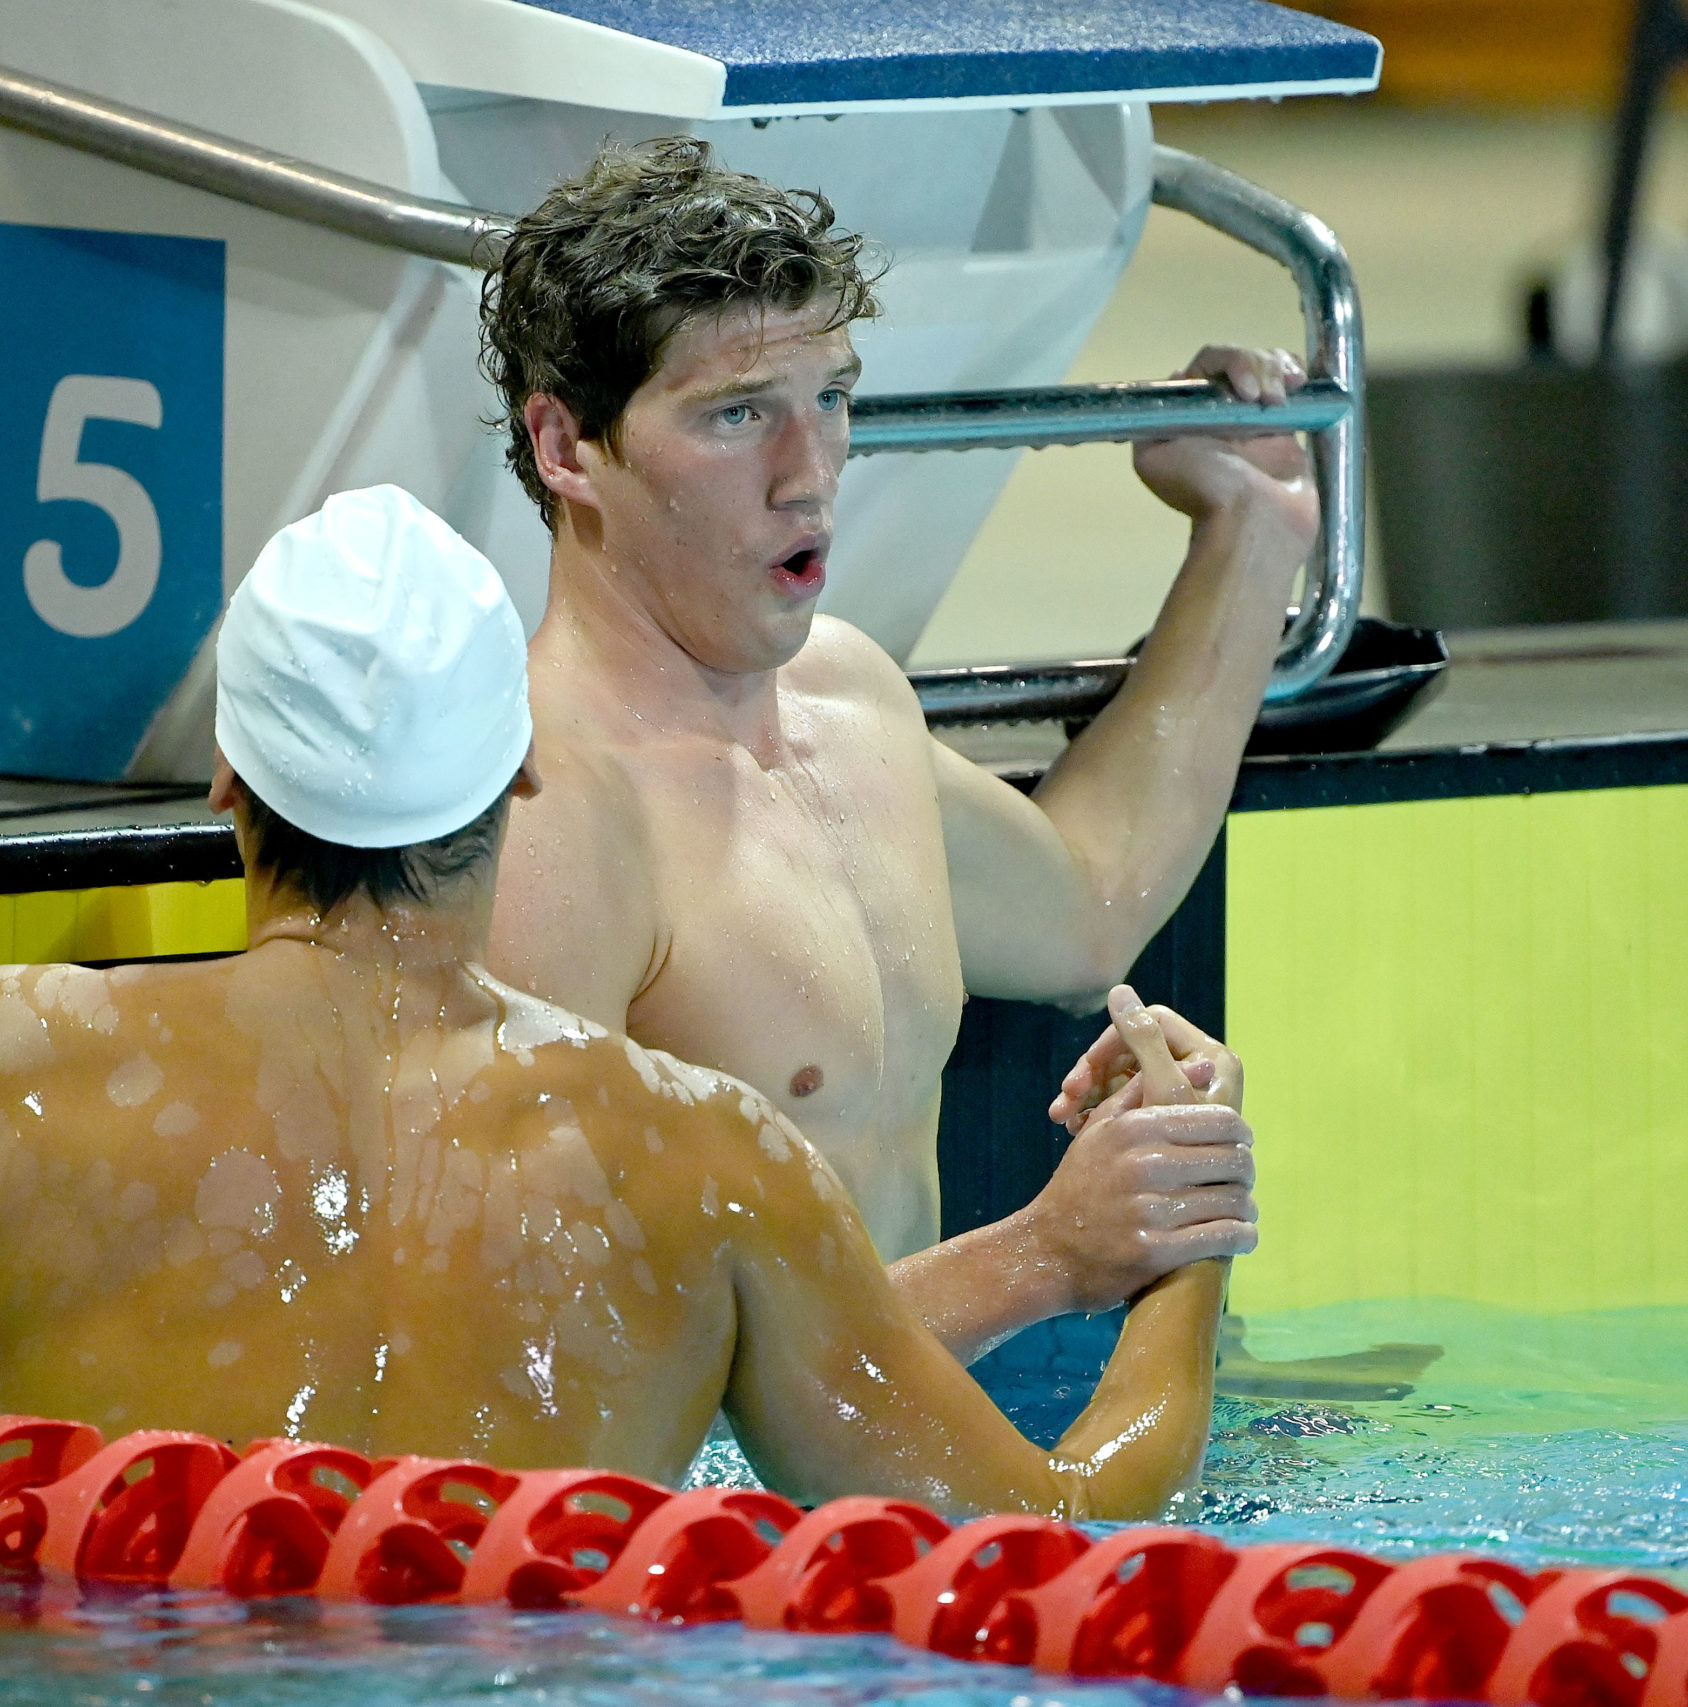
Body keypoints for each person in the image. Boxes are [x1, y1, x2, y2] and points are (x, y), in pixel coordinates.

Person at [0, 487, 1243, 1515]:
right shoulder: (709, 1154)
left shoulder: (7, 1065)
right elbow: (1057, 1525)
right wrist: (1181, 1239)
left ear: (228, 777)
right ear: (519, 773)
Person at [478, 138, 1310, 1363]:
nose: (809, 474)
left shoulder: (849, 699)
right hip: (721, 1491)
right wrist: (1043, 1258)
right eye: (737, 414)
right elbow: (553, 1354)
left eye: (829, 398)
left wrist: (1253, 533)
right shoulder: (546, 812)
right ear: (566, 449)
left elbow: (1088, 906)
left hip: (908, 1449)